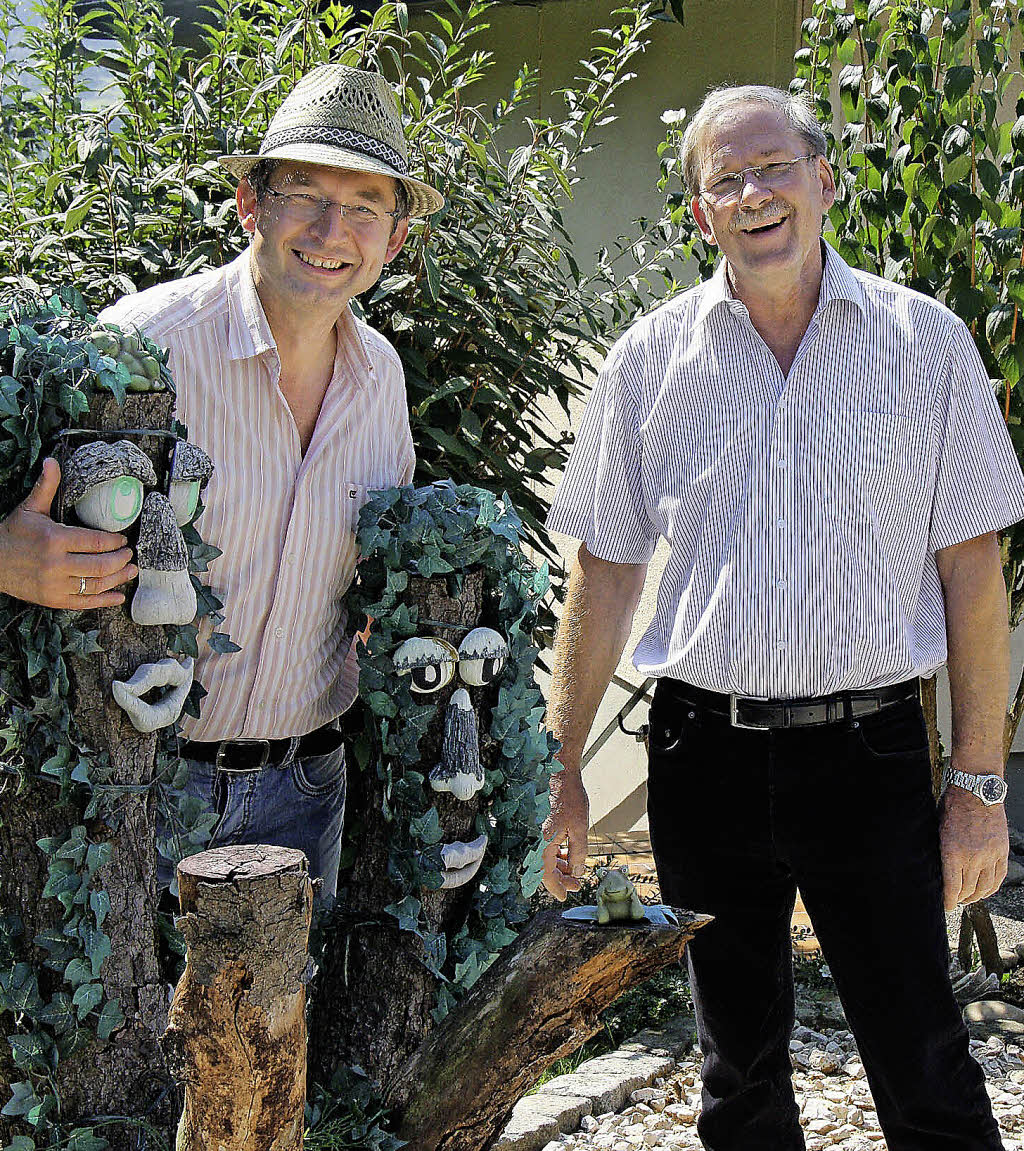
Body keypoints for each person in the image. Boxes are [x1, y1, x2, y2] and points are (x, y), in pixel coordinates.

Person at [542, 83, 1024, 1151]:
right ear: (699, 213)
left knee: (923, 1057)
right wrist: (562, 762)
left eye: (772, 168)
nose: (753, 193)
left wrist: (978, 782)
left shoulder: (925, 344)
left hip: (872, 747)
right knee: (736, 1066)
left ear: (824, 180)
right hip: (699, 752)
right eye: (725, 180)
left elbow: (972, 571)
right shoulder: (651, 359)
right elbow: (605, 570)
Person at [0, 64, 444, 902]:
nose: (329, 229)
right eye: (304, 194)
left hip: (308, 789)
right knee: (129, 1031)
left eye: (363, 207)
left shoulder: (382, 377)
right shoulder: (141, 344)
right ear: (251, 206)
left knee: (278, 1032)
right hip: (142, 783)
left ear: (393, 240)